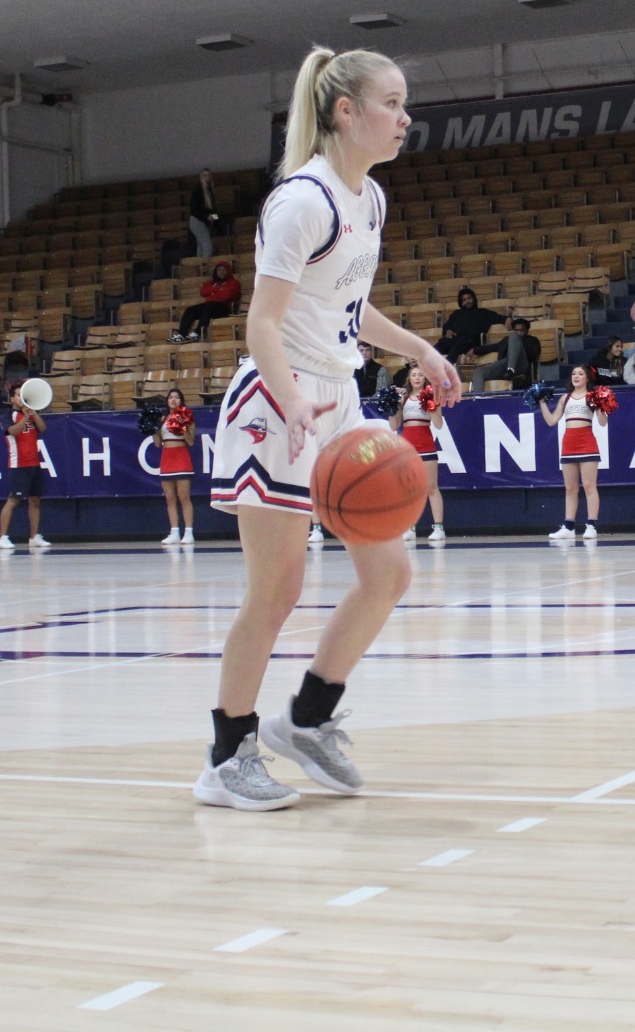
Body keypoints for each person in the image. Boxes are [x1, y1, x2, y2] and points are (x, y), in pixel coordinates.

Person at [196, 45, 461, 813]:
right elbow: (263, 324)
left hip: (337, 395)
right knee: (275, 593)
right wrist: (294, 404)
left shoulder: (368, 198)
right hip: (281, 402)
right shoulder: (301, 200)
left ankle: (306, 720)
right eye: (392, 102)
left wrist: (416, 346)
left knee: (391, 573)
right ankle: (226, 755)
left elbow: (346, 305)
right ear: (345, 111)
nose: (405, 117)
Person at [539, 364, 604, 541]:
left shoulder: (593, 397)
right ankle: (568, 527)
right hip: (569, 444)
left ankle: (591, 525)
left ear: (587, 378)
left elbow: (603, 422)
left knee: (590, 486)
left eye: (580, 373)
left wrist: (604, 406)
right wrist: (541, 403)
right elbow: (552, 421)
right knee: (570, 488)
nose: (576, 376)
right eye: (574, 373)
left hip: (587, 442)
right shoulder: (565, 399)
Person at [0, 382, 50, 551]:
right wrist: (25, 417)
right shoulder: (9, 415)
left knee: (35, 500)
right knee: (13, 500)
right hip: (19, 464)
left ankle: (34, 537)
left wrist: (33, 413)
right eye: (18, 395)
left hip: (34, 463)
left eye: (23, 395)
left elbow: (43, 428)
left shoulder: (31, 413)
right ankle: (2, 537)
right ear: (12, 399)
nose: (21, 398)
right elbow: (13, 431)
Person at [396, 367, 448, 543]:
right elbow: (393, 426)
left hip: (426, 445)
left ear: (425, 377)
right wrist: (392, 408)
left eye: (420, 375)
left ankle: (439, 528)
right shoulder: (403, 398)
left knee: (431, 487)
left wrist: (431, 406)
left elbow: (439, 424)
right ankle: (409, 528)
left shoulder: (431, 396)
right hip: (407, 446)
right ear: (409, 378)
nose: (417, 378)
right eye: (414, 375)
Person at [157, 388, 197, 545]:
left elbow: (191, 441)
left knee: (184, 497)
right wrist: (154, 428)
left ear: (181, 401)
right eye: (170, 397)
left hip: (181, 457)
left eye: (177, 397)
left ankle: (188, 532)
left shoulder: (188, 417)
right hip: (166, 459)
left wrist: (183, 427)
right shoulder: (163, 419)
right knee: (170, 498)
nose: (173, 400)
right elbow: (157, 443)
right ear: (167, 401)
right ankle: (174, 532)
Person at [173, 261, 242, 342]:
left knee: (208, 308)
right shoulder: (211, 283)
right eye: (219, 270)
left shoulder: (234, 283)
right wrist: (219, 289)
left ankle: (197, 333)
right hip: (209, 305)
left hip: (223, 307)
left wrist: (212, 293)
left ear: (228, 271)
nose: (221, 272)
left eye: (224, 270)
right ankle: (181, 334)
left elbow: (226, 295)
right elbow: (203, 292)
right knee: (190, 310)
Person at [433, 286, 507, 361]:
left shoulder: (483, 313)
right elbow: (447, 326)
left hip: (472, 341)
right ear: (461, 302)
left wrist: (508, 321)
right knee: (443, 342)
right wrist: (448, 330)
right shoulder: (456, 314)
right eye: (464, 300)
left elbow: (502, 318)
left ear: (473, 299)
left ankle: (448, 369)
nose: (467, 301)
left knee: (456, 346)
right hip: (455, 340)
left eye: (469, 298)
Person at [471, 316, 542, 390]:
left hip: (521, 364)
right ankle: (478, 398)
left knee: (514, 338)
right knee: (478, 372)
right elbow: (493, 347)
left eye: (522, 330)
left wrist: (519, 347)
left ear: (527, 330)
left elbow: (534, 355)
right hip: (505, 364)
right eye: (516, 330)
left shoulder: (532, 340)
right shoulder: (507, 339)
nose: (519, 333)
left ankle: (510, 369)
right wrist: (474, 350)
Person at [189, 167, 225, 260]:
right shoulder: (198, 190)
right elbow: (195, 208)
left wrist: (216, 219)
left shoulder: (210, 191)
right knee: (207, 247)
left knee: (201, 247)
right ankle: (204, 269)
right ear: (201, 177)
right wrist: (206, 216)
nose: (207, 177)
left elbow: (213, 211)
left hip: (203, 220)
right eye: (205, 175)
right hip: (197, 220)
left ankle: (200, 269)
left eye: (209, 175)